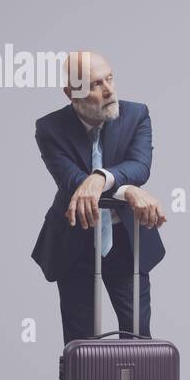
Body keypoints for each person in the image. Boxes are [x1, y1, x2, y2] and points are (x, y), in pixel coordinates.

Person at [32, 51, 167, 345]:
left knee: (139, 339)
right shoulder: (49, 128)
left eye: (110, 78)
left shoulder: (136, 114)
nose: (109, 90)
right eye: (95, 84)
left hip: (126, 241)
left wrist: (100, 177)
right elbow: (70, 182)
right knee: (80, 346)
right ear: (71, 93)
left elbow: (140, 165)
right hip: (73, 242)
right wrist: (126, 190)